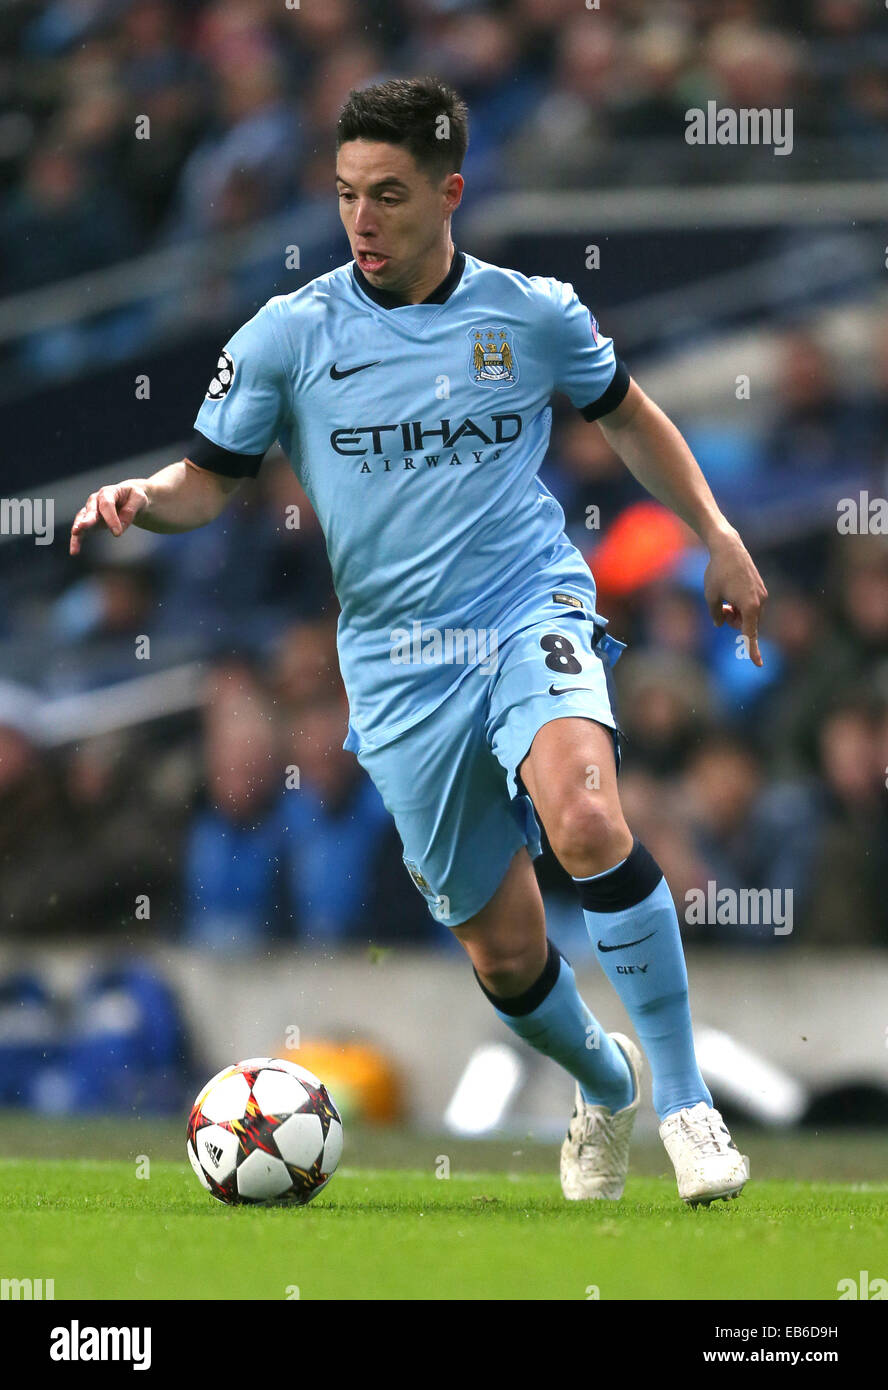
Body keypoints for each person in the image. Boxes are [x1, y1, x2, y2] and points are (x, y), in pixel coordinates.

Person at [69, 76, 767, 1206]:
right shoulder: (289, 336)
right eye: (346, 194)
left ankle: (689, 1106)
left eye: (388, 195)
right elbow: (207, 483)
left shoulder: (530, 313)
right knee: (503, 949)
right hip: (397, 666)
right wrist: (142, 499)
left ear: (448, 193)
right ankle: (606, 1081)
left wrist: (719, 533)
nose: (362, 220)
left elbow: (629, 411)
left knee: (587, 816)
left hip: (525, 607)